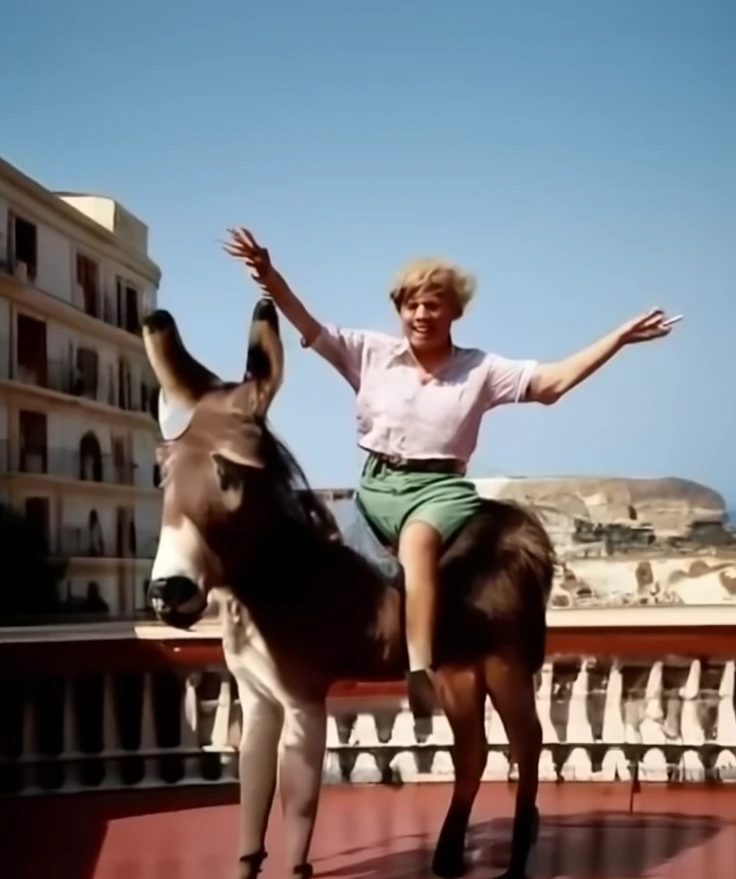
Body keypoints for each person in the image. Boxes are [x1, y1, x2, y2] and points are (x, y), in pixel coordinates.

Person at [222, 226, 678, 717]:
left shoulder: (479, 370)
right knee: (321, 555)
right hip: (375, 485)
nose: (421, 314)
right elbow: (309, 326)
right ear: (399, 309)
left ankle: (419, 672)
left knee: (417, 543)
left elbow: (551, 383)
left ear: (454, 311)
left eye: (433, 304)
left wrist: (619, 338)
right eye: (411, 304)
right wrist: (269, 276)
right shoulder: (370, 353)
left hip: (437, 488)